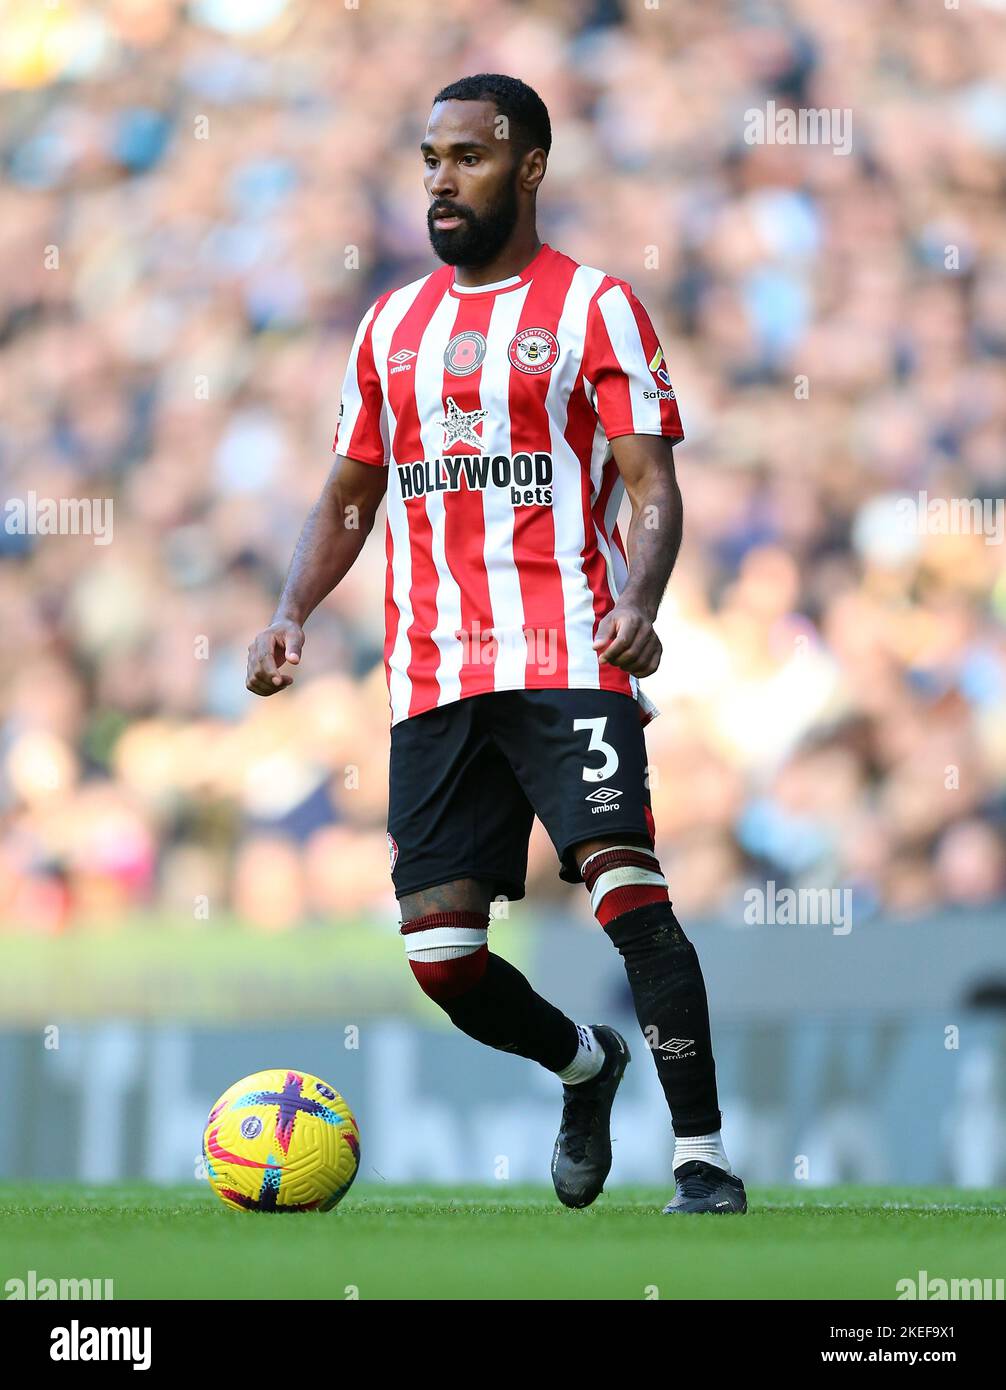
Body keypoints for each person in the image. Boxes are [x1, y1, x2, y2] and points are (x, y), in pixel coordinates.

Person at [247, 73, 746, 1215]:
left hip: (570, 652)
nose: (439, 179)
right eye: (428, 158)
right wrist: (291, 611)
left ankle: (704, 1159)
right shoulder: (390, 325)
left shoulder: (597, 308)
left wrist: (642, 597)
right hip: (432, 672)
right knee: (439, 958)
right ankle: (585, 1064)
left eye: (466, 157)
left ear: (527, 167)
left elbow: (652, 486)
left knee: (631, 896)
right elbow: (346, 494)